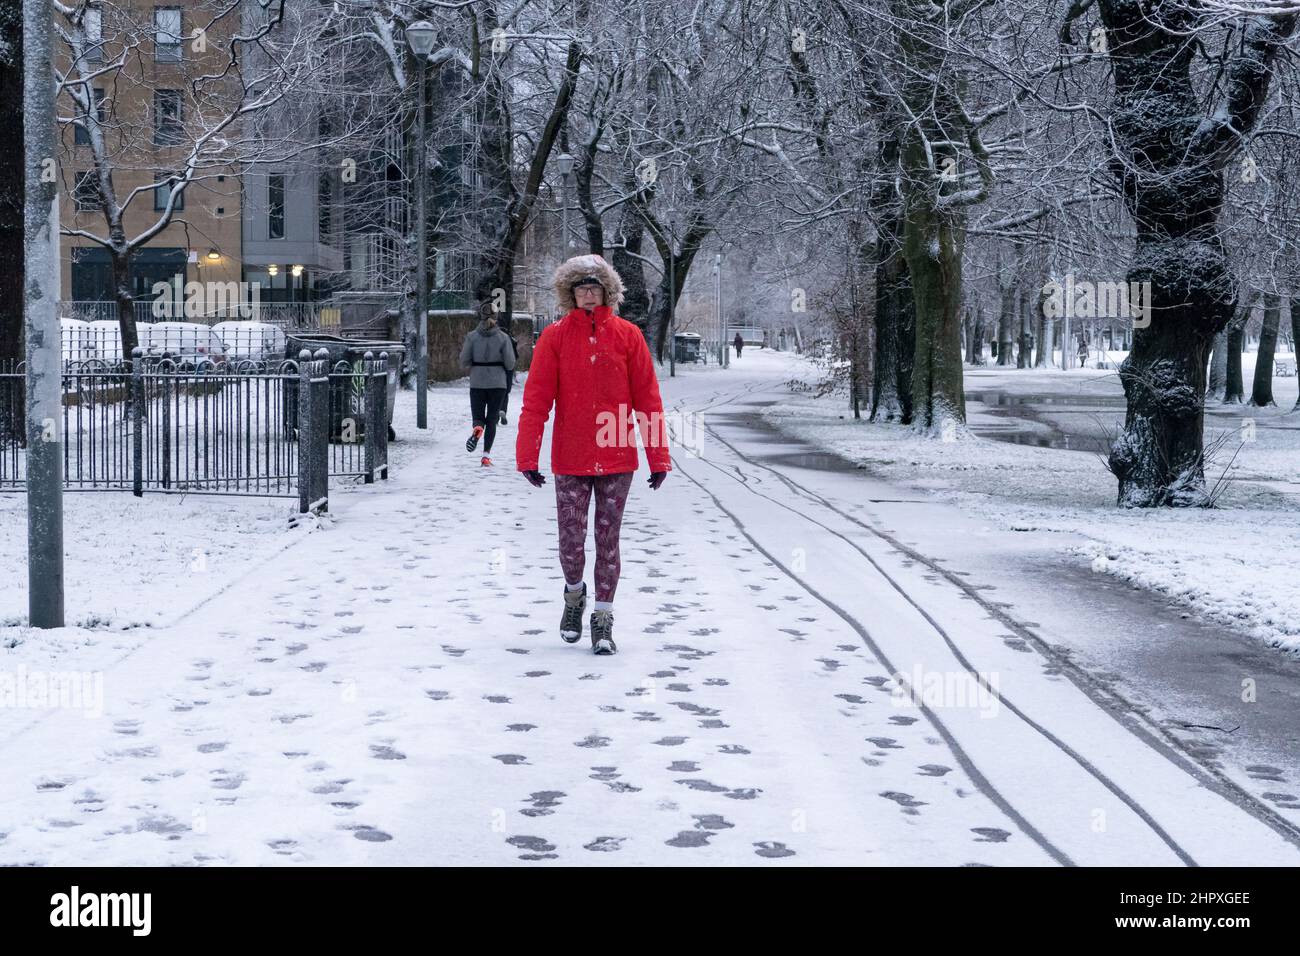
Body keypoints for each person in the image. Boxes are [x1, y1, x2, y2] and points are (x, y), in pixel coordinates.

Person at [516, 254, 671, 655]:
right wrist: (527, 456)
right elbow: (536, 401)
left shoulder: (628, 336)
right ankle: (573, 597)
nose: (588, 294)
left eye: (595, 287)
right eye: (581, 288)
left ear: (607, 292)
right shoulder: (554, 337)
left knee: (607, 539)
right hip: (571, 455)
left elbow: (648, 401)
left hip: (617, 455)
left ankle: (603, 618)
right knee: (571, 539)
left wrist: (659, 457)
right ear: (571, 294)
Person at [459, 308, 516, 467]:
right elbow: (510, 363)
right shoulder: (503, 338)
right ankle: (485, 456)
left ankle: (477, 427)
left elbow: (463, 360)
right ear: (496, 318)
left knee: (478, 416)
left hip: (477, 382)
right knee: (492, 419)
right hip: (498, 383)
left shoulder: (471, 337)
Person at [498, 328, 519, 426]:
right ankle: (503, 411)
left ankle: (495, 415)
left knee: (495, 392)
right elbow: (515, 356)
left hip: (496, 369)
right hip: (508, 369)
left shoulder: (495, 340)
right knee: (505, 392)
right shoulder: (511, 340)